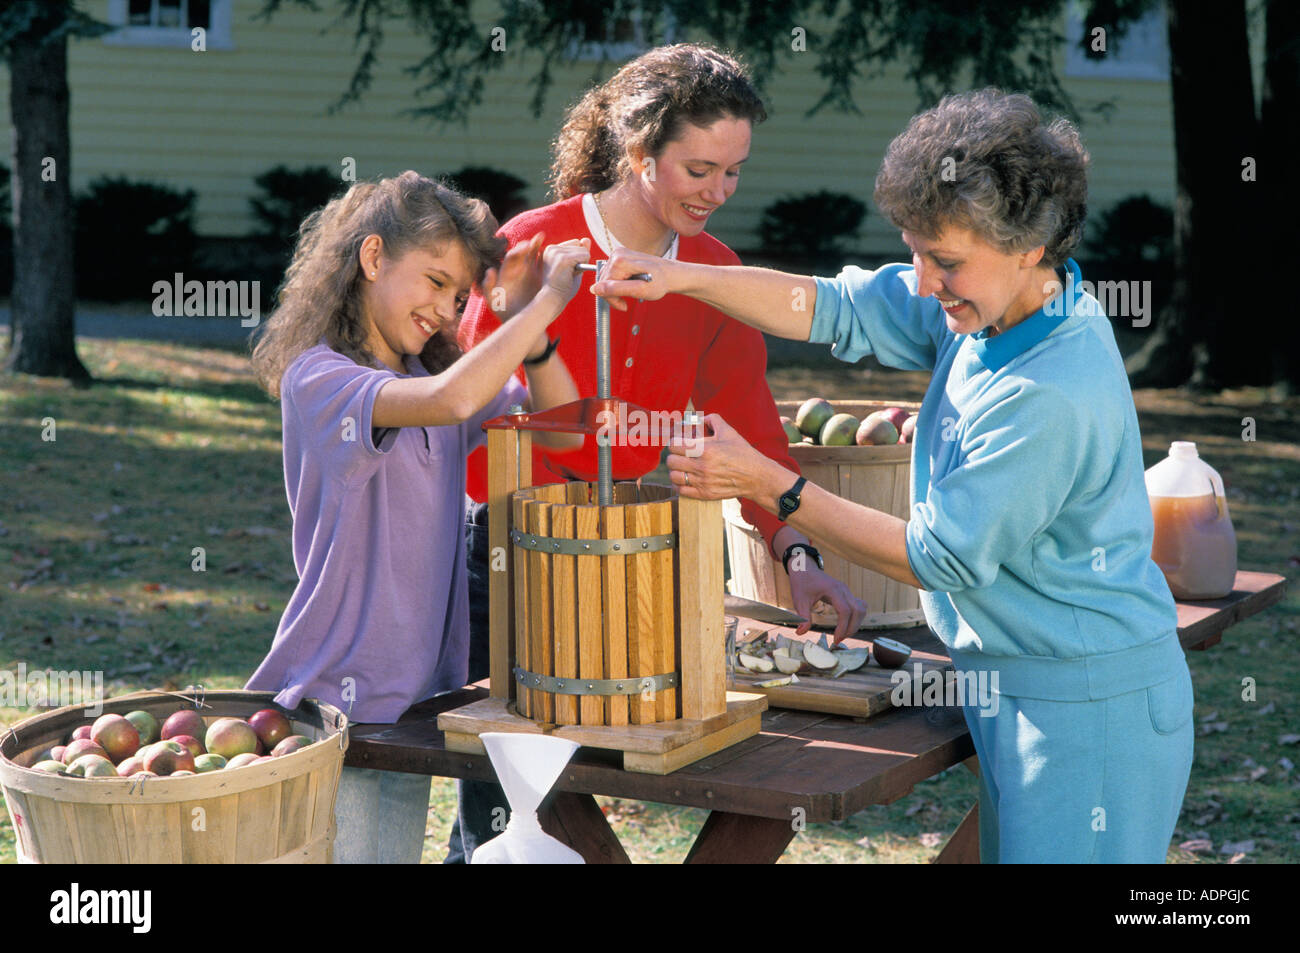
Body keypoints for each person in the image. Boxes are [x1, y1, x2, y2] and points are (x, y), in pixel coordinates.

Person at [594, 89, 1194, 863]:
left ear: (1029, 245)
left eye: (944, 261)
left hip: (1085, 711)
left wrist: (771, 482)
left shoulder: (1048, 390)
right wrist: (683, 279)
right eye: (915, 250)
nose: (921, 280)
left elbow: (937, 556)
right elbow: (834, 307)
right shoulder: (1000, 309)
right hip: (1022, 688)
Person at [447, 43, 866, 863]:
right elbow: (488, 427)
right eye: (699, 170)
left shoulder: (716, 274)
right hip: (510, 555)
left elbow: (743, 426)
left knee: (661, 766)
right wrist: (531, 327)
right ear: (639, 155)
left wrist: (797, 548)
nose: (718, 193)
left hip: (648, 562)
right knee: (506, 805)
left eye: (734, 173)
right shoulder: (534, 246)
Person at [245, 170, 589, 863]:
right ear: (373, 258)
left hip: (411, 699)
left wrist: (538, 337)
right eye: (433, 281)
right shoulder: (324, 379)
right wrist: (545, 304)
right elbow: (455, 399)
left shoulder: (418, 381)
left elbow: (564, 431)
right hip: (340, 698)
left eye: (459, 295)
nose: (445, 307)